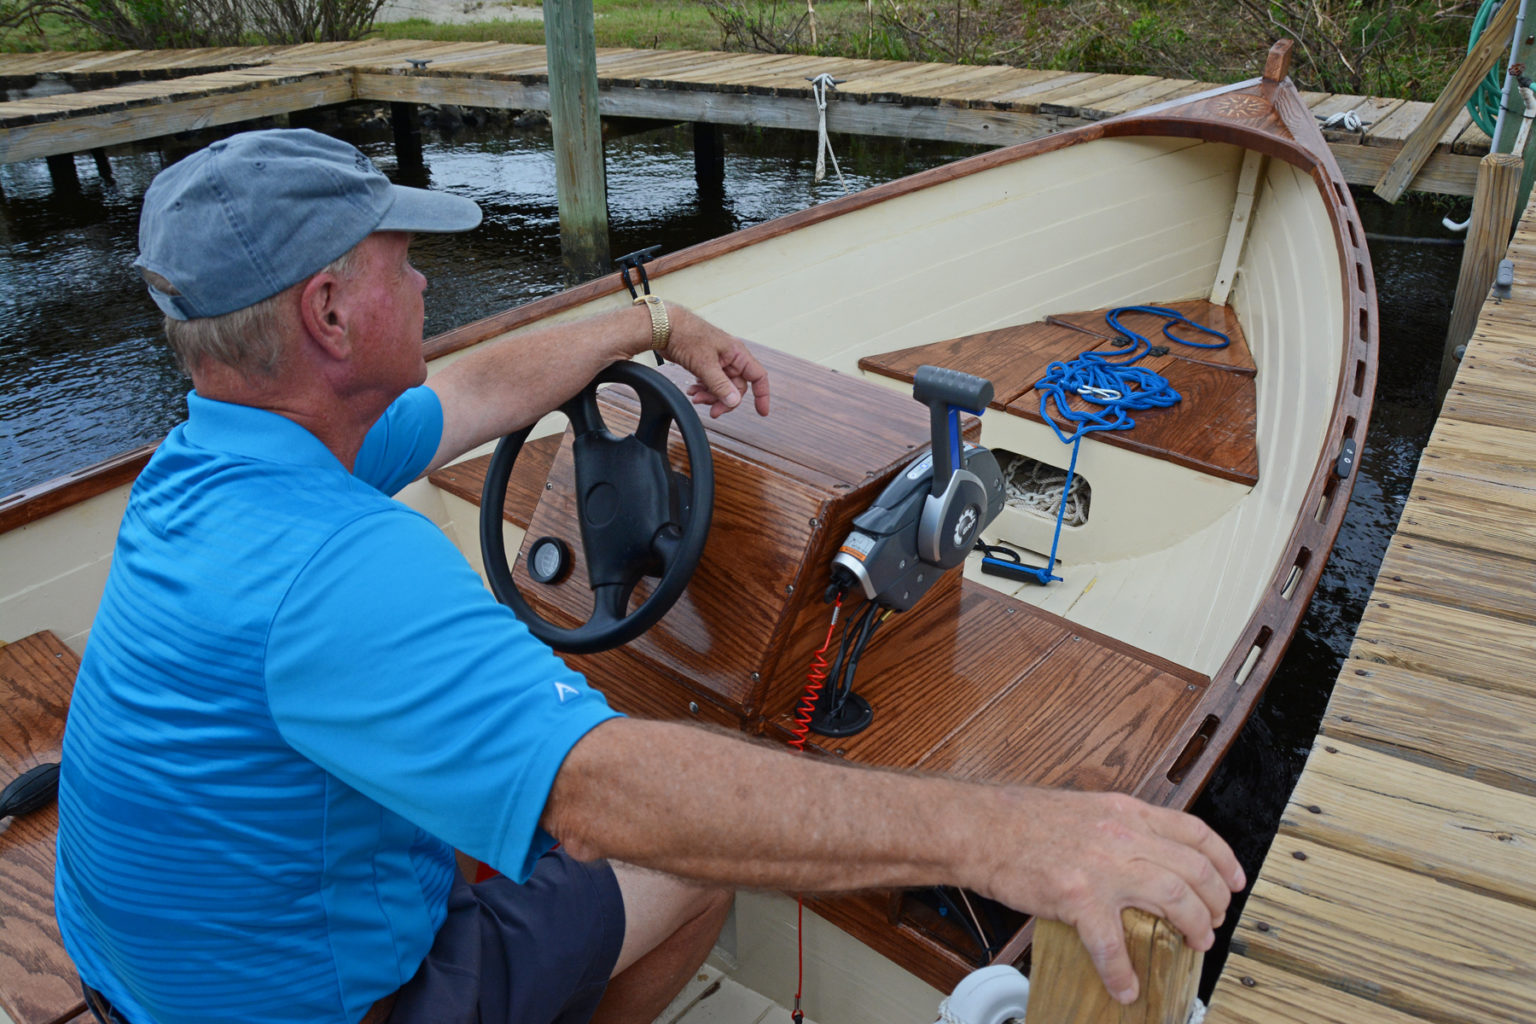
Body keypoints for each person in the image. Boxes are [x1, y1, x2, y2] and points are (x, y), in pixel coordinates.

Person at [55, 129, 1244, 1024]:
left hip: (153, 980)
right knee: (689, 861)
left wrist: (648, 327)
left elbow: (471, 395)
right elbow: (603, 786)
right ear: (327, 311)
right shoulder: (334, 569)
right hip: (315, 1007)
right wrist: (1004, 836)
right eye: (401, 262)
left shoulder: (220, 460)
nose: (427, 286)